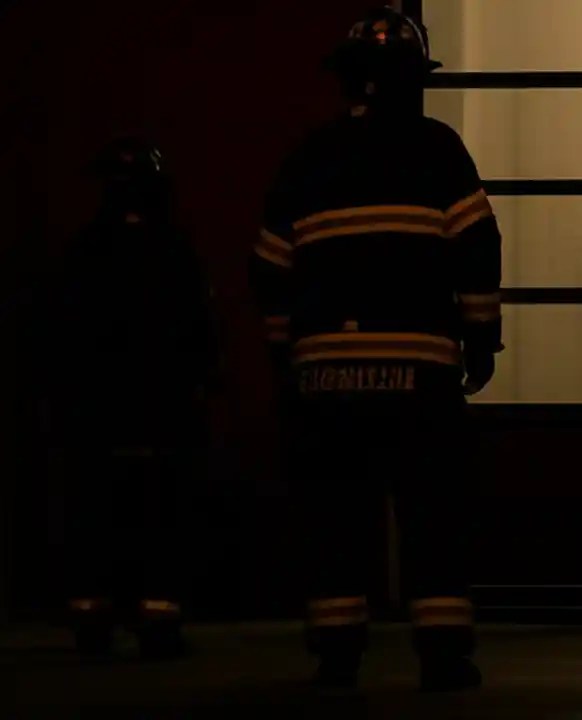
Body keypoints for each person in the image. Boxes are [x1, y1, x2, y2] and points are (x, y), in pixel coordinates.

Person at [249, 5, 502, 693]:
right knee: (433, 514)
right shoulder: (438, 150)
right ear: (413, 80)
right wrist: (481, 341)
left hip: (325, 379)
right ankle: (444, 655)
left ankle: (337, 654)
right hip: (422, 372)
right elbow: (478, 250)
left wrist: (287, 355)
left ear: (347, 81)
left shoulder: (307, 159)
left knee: (335, 516)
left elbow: (270, 266)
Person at [53, 138, 216, 660]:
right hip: (163, 407)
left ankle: (91, 619)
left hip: (93, 411)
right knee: (161, 512)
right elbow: (201, 332)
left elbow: (55, 334)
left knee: (94, 513)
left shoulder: (82, 250)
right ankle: (158, 619)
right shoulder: (174, 250)